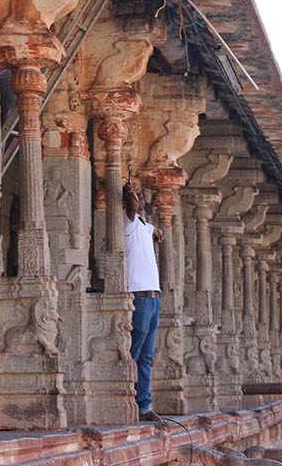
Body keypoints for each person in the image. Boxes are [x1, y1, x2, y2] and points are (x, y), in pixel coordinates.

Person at [123, 181, 164, 422]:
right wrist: (130, 193)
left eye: (141, 196)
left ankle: (144, 404)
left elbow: (158, 232)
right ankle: (128, 399)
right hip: (138, 295)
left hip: (153, 296)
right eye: (138, 196)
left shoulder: (144, 225)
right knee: (135, 351)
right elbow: (132, 207)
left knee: (147, 354)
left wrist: (158, 232)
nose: (141, 199)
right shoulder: (127, 222)